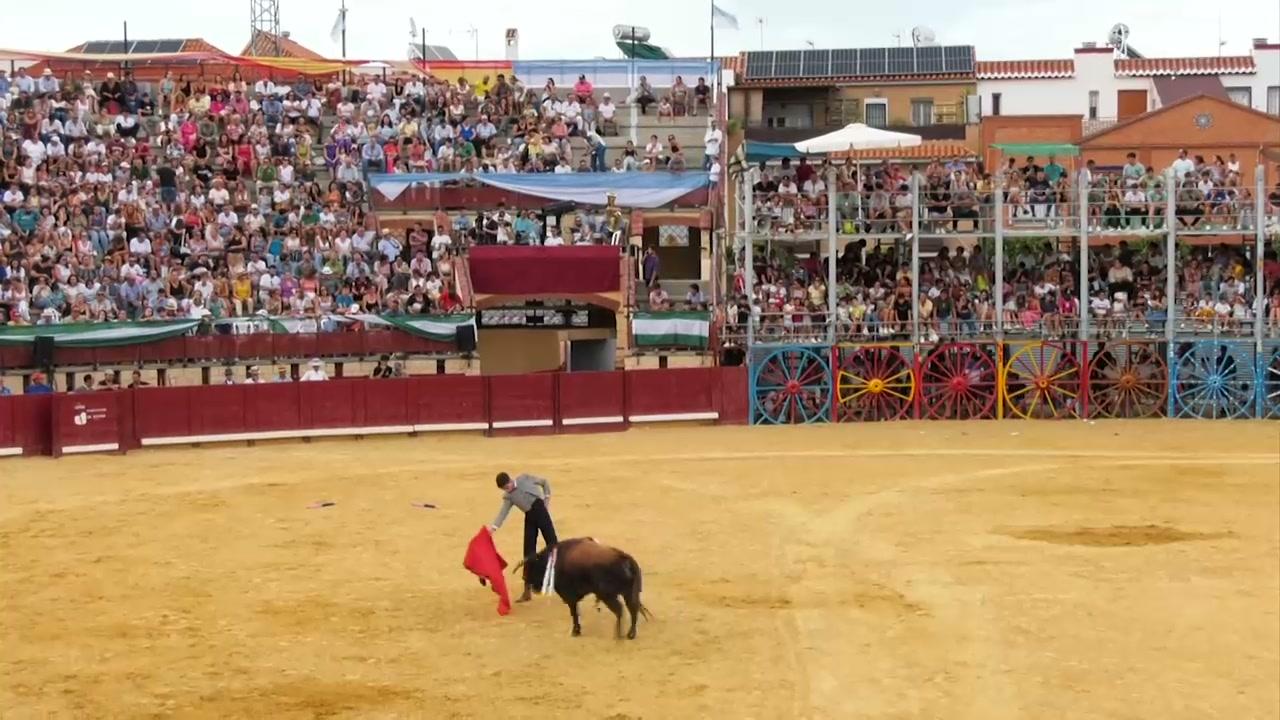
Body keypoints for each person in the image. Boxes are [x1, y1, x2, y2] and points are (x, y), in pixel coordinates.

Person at [490, 471, 557, 602]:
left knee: (553, 545)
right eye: (504, 489)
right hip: (530, 517)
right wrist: (493, 528)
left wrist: (547, 498)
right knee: (528, 553)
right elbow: (503, 513)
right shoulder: (509, 497)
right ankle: (527, 590)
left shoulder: (524, 478)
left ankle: (563, 580)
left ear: (510, 480)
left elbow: (544, 482)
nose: (507, 490)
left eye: (507, 487)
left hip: (541, 512)